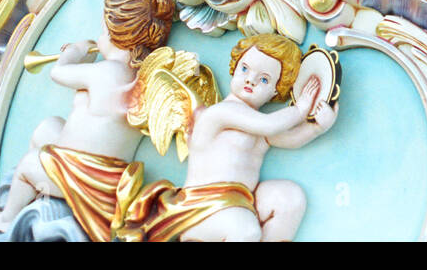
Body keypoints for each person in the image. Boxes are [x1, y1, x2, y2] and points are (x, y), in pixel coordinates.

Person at [0, 0, 175, 232]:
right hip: (100, 174)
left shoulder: (106, 72)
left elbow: (58, 73)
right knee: (48, 128)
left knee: (28, 165)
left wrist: (72, 53)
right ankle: (38, 188)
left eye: (104, 31)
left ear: (117, 35)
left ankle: (7, 218)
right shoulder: (139, 80)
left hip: (84, 179)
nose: (100, 37)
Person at [110, 34, 336, 242]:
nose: (251, 80)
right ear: (234, 68)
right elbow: (270, 123)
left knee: (289, 197)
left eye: (264, 80)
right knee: (245, 231)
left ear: (276, 92)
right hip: (201, 205)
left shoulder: (259, 130)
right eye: (245, 69)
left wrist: (316, 129)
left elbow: (288, 138)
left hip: (239, 202)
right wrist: (301, 109)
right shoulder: (220, 113)